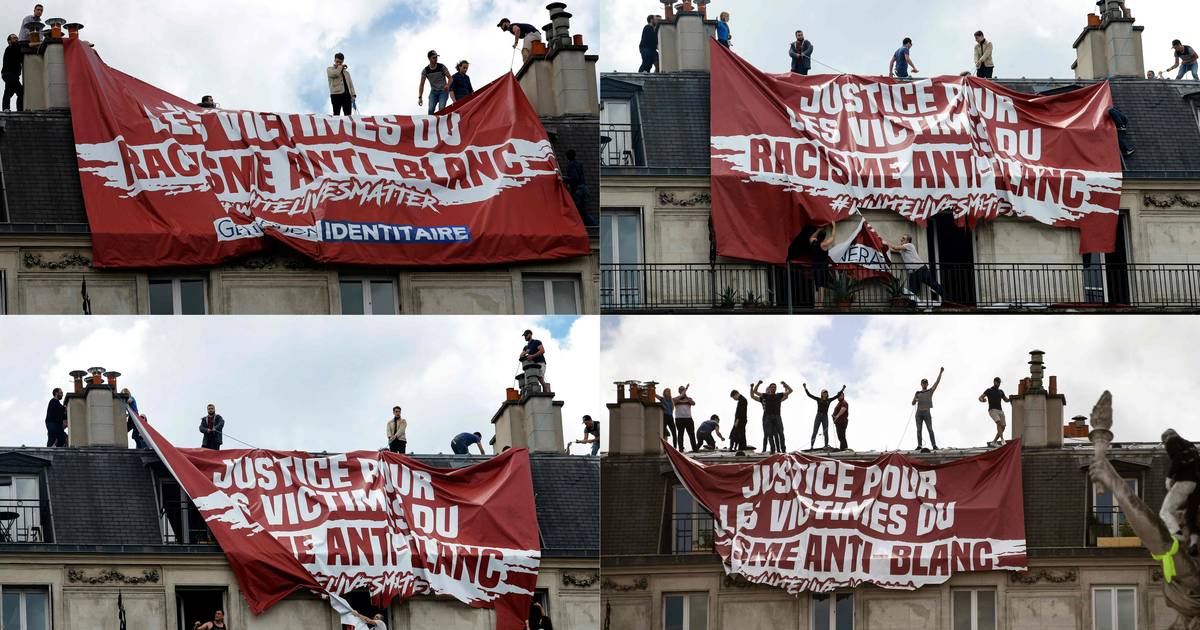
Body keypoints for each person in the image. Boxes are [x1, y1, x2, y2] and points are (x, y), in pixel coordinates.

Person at [1161, 429, 1200, 556]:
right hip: (1197, 485)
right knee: (1191, 515)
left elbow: (1176, 458)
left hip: (1184, 482)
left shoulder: (1171, 441)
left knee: (1165, 511)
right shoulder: (1191, 446)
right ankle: (1194, 544)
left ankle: (1177, 535)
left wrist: (1169, 477)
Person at [886, 234, 944, 304]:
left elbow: (895, 247)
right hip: (913, 273)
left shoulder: (909, 245)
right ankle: (914, 306)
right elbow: (892, 250)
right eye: (901, 238)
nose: (901, 239)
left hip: (921, 269)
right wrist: (882, 246)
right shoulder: (902, 250)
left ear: (907, 241)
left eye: (903, 238)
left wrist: (885, 242)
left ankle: (946, 299)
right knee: (912, 292)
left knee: (933, 284)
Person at [752, 381, 792, 453]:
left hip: (777, 417)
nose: (773, 388)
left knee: (780, 433)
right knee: (769, 434)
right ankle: (773, 450)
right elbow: (754, 392)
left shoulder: (779, 395)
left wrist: (785, 385)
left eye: (774, 387)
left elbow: (790, 391)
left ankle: (783, 450)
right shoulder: (765, 396)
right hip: (768, 417)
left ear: (776, 389)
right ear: (769, 388)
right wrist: (758, 384)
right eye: (772, 387)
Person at [803, 383, 844, 450]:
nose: (825, 394)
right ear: (822, 394)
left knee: (826, 432)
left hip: (825, 417)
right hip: (818, 416)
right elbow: (809, 395)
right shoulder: (818, 399)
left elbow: (837, 396)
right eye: (824, 393)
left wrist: (843, 389)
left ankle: (826, 445)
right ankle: (811, 446)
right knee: (815, 431)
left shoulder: (829, 400)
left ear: (827, 394)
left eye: (826, 393)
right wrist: (805, 388)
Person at [911, 368, 944, 451]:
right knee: (919, 430)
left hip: (926, 412)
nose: (924, 384)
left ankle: (934, 445)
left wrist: (940, 372)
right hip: (918, 413)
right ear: (921, 384)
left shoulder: (930, 391)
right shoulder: (918, 393)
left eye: (926, 383)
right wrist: (915, 399)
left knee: (930, 429)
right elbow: (912, 403)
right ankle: (919, 445)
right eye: (923, 383)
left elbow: (937, 382)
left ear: (927, 384)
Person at [805, 223, 837, 308]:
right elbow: (833, 237)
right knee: (821, 286)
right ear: (824, 237)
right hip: (822, 268)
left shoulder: (813, 242)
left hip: (815, 267)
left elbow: (811, 237)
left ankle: (817, 304)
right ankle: (820, 305)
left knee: (818, 285)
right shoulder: (823, 245)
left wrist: (818, 229)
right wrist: (834, 226)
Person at [563, 149, 592, 225]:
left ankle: (574, 226)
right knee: (583, 212)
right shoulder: (579, 164)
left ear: (568, 157)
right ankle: (594, 226)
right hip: (584, 189)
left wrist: (564, 179)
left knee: (574, 210)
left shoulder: (571, 165)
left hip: (578, 190)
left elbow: (575, 178)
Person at [978, 377, 1010, 447]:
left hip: (1000, 410)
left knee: (1003, 426)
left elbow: (1006, 400)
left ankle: (994, 442)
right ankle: (1002, 439)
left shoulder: (1001, 391)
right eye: (997, 382)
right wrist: (983, 400)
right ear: (994, 382)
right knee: (998, 423)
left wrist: (1012, 399)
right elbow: (980, 397)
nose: (998, 384)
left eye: (999, 383)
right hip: (992, 410)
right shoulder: (989, 390)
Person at [673, 385, 698, 452]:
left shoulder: (689, 398)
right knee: (680, 434)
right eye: (681, 390)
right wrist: (681, 395)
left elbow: (693, 403)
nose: (682, 391)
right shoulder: (676, 399)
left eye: (683, 389)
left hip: (688, 418)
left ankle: (695, 449)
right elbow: (673, 401)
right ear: (679, 391)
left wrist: (685, 395)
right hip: (679, 419)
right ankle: (681, 449)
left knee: (691, 434)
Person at [3, 34, 23, 112]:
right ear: (9, 41)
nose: (16, 39)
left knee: (16, 92)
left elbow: (20, 57)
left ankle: (10, 108)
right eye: (14, 38)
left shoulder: (16, 48)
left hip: (12, 75)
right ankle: (7, 108)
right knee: (15, 91)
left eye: (17, 38)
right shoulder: (10, 48)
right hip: (9, 74)